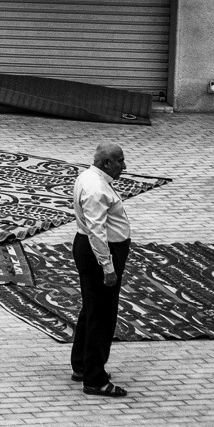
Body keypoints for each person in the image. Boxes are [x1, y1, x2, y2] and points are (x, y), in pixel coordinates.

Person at [70, 143, 135, 397]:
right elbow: (97, 231)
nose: (124, 166)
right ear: (107, 163)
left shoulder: (89, 177)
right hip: (100, 253)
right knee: (102, 315)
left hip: (91, 248)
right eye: (120, 161)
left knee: (91, 308)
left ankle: (82, 365)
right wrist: (107, 266)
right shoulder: (96, 189)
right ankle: (95, 379)